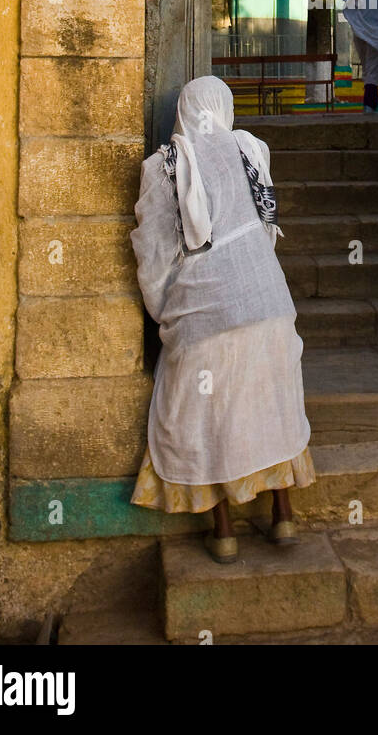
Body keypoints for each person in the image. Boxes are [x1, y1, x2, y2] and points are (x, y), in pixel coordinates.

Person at [129, 75, 315, 562]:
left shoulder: (163, 166)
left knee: (206, 410)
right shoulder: (252, 151)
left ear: (184, 112)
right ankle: (283, 517)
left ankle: (225, 531)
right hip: (270, 304)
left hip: (207, 313)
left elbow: (154, 252)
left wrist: (164, 312)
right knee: (271, 402)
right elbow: (265, 233)